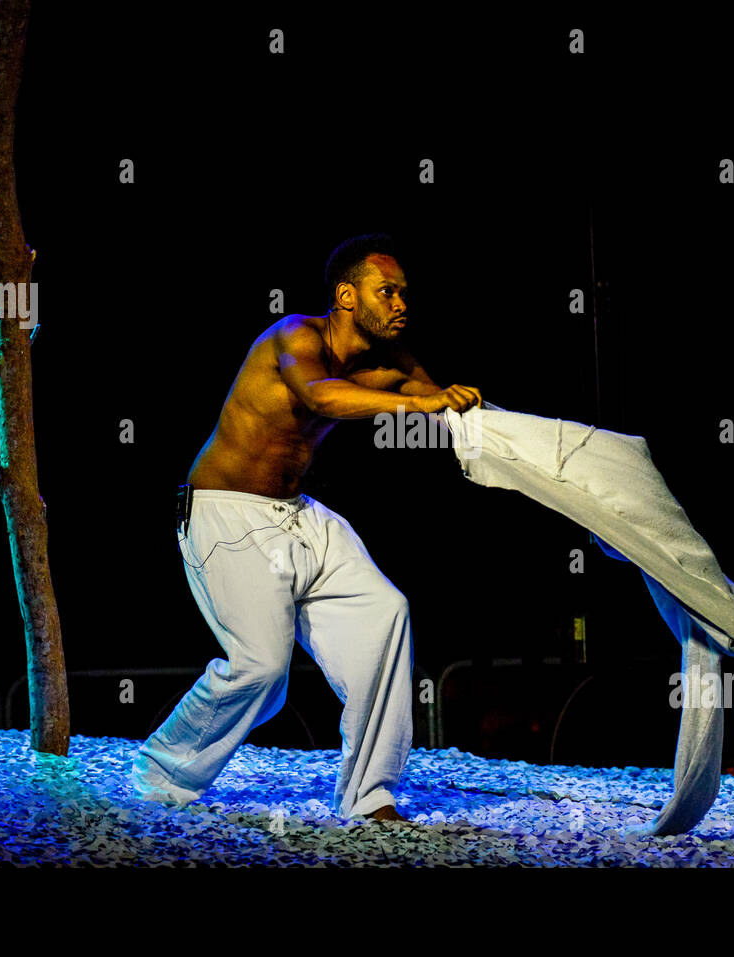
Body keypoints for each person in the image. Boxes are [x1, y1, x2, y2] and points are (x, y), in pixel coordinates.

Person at [131, 234, 481, 822]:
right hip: (224, 512)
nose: (401, 303)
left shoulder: (387, 358)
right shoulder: (295, 336)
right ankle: (162, 775)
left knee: (385, 612)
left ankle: (369, 794)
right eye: (386, 292)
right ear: (347, 295)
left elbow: (429, 392)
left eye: (404, 294)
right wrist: (417, 406)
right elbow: (321, 396)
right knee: (263, 673)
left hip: (300, 515)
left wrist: (459, 408)